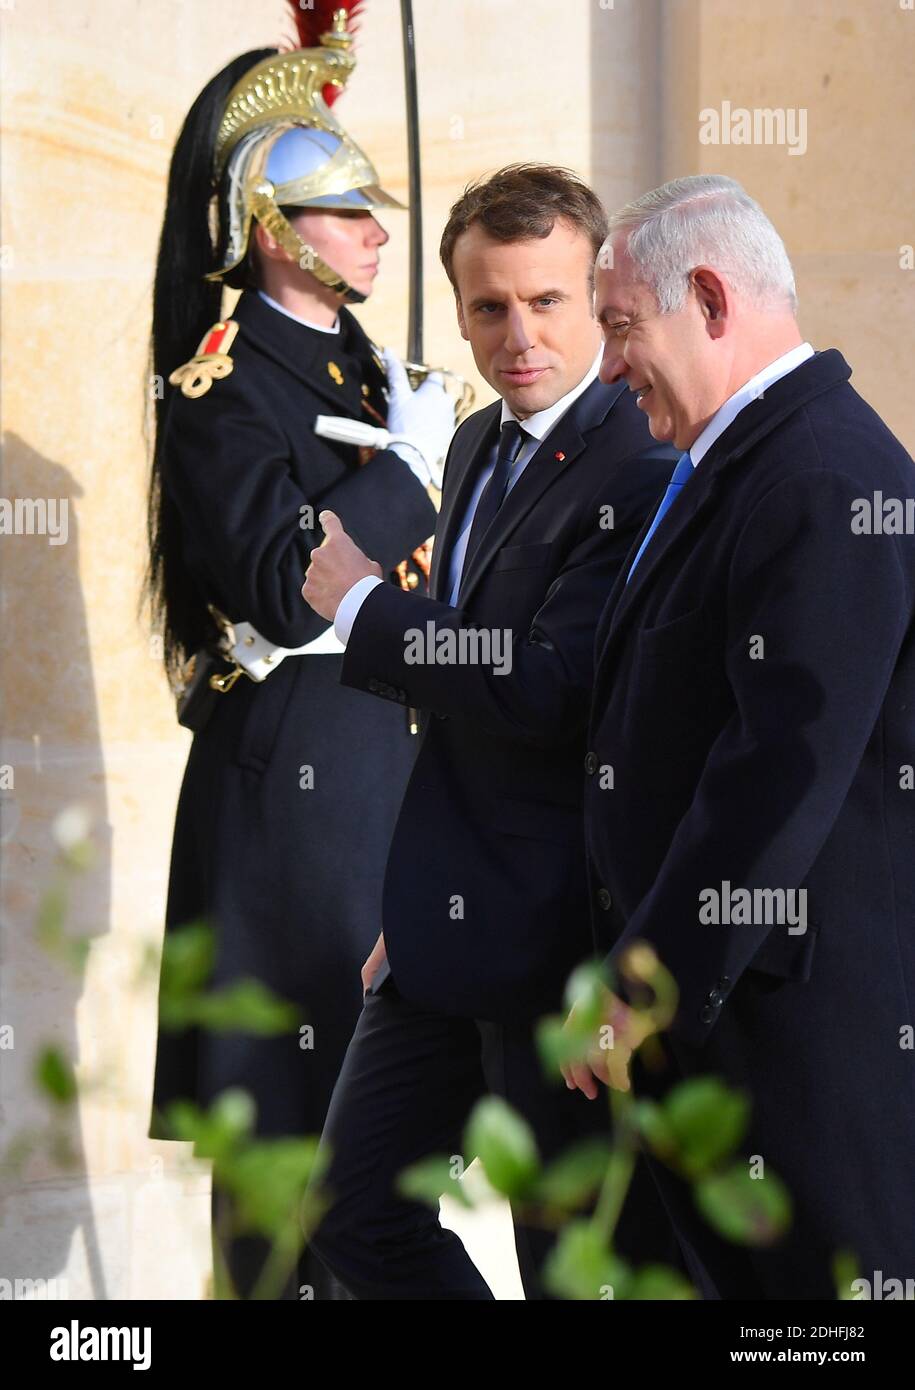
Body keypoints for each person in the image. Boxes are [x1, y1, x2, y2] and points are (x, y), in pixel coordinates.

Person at [301, 163, 678, 1299]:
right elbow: (467, 707)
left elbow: (547, 682)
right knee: (354, 1216)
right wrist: (420, 895)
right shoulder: (474, 448)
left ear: (599, 299)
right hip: (437, 937)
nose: (519, 335)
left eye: (547, 301)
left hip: (562, 946)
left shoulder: (642, 459)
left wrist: (367, 610)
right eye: (488, 306)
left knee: (570, 1266)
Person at [145, 13, 450, 1300]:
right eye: (347, 212)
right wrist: (409, 478)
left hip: (396, 780)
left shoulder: (374, 371)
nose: (380, 230)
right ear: (275, 232)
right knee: (290, 1160)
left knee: (383, 1152)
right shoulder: (225, 386)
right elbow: (281, 585)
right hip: (300, 793)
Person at [568, 173, 915, 1298]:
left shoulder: (820, 475)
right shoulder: (752, 460)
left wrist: (643, 986)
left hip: (799, 1052)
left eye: (621, 326)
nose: (611, 366)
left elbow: (778, 772)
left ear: (709, 297)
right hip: (732, 1041)